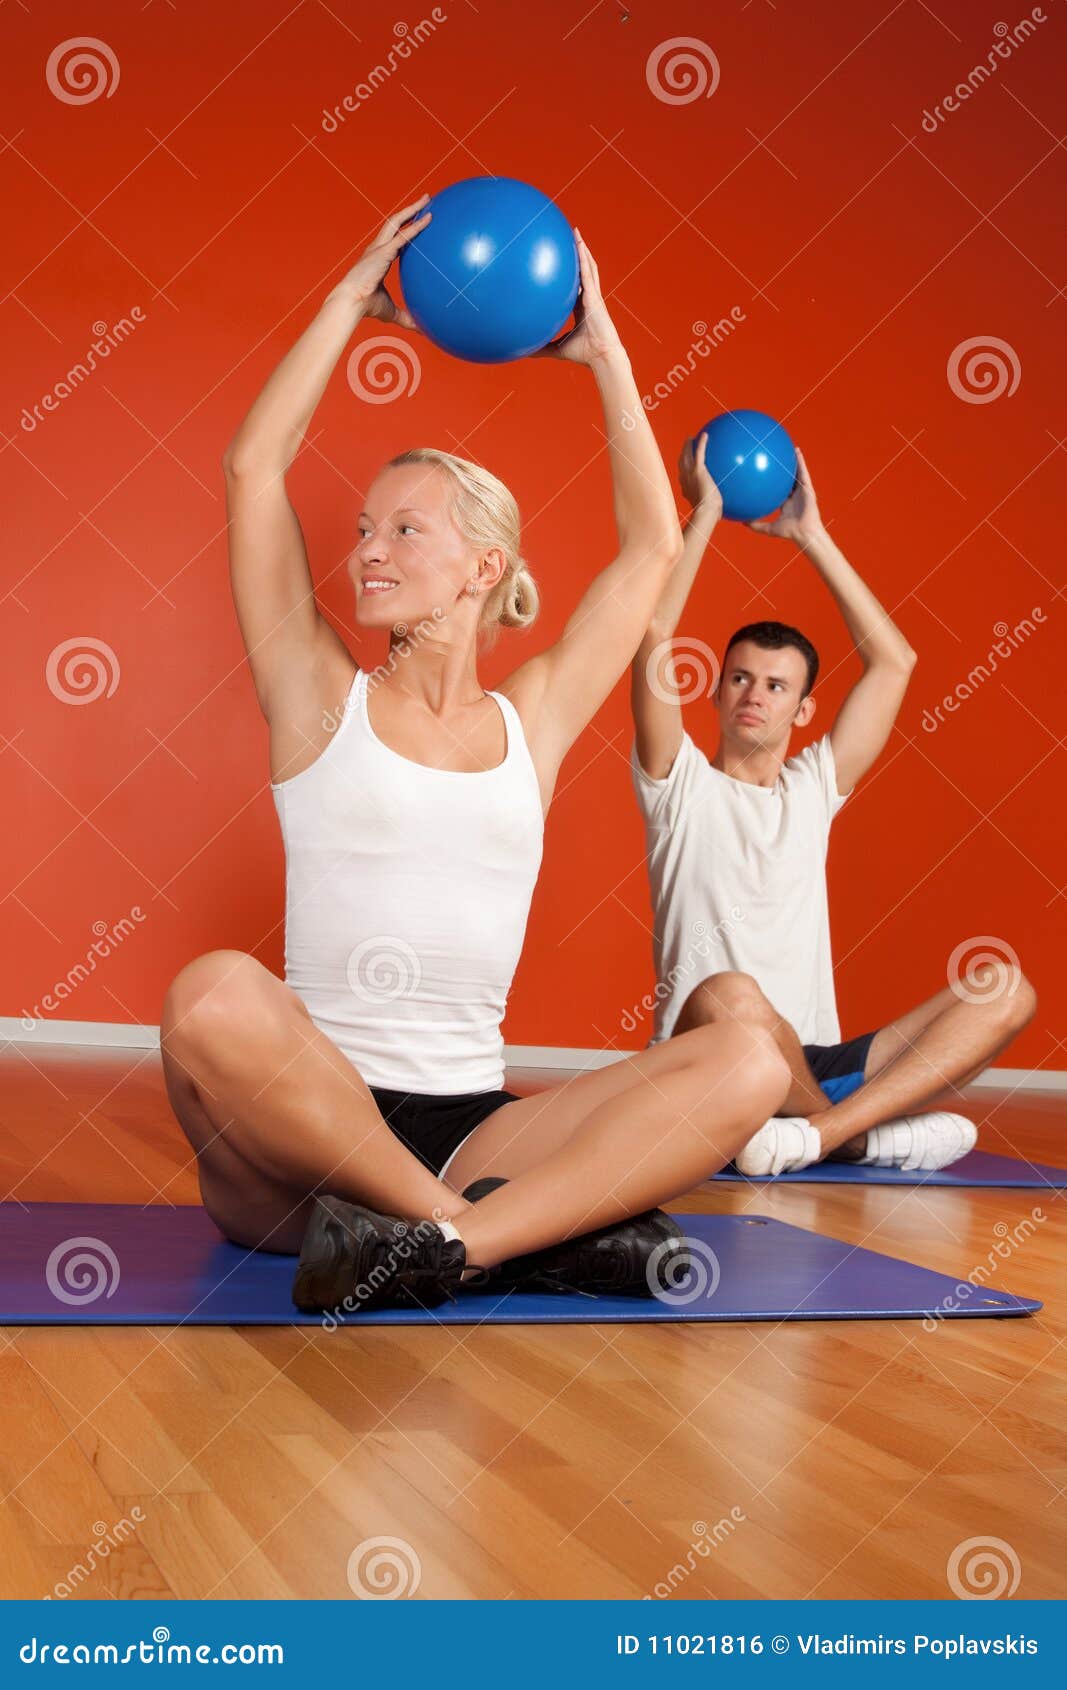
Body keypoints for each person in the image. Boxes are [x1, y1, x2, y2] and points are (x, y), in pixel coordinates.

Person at [159, 195, 791, 1314]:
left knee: (746, 1057)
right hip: (297, 1150)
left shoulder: (529, 719)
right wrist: (348, 304)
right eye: (362, 529)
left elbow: (652, 545)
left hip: (476, 1126)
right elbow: (254, 469)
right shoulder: (317, 694)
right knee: (211, 995)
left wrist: (603, 351)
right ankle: (500, 1236)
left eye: (404, 529)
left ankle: (449, 1241)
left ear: (481, 566)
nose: (366, 549)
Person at [628, 432, 1037, 1176]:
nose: (754, 696)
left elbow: (895, 661)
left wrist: (810, 537)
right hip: (710, 1051)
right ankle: (854, 1139)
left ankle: (814, 1135)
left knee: (1004, 989)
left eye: (776, 686)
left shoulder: (812, 787)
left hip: (818, 1059)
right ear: (714, 691)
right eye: (741, 679)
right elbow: (652, 632)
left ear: (804, 711)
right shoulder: (676, 782)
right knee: (731, 993)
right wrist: (701, 520)